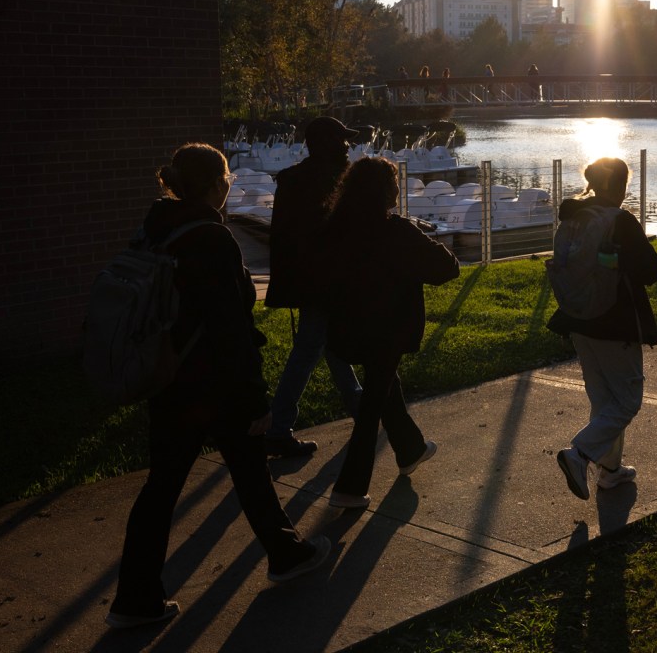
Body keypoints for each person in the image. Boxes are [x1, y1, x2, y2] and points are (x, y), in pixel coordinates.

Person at [107, 143, 330, 630]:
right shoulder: (210, 236)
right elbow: (228, 325)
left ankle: (134, 597)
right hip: (214, 384)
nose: (229, 186)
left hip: (168, 378)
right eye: (226, 179)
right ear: (213, 185)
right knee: (249, 472)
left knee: (162, 488)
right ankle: (286, 555)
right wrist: (256, 399)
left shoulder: (156, 227)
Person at [322, 156, 460, 510]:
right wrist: (417, 234)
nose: (398, 189)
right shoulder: (395, 230)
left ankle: (410, 449)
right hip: (386, 328)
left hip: (346, 325)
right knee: (372, 405)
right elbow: (447, 268)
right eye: (395, 183)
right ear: (385, 191)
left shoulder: (336, 228)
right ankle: (349, 489)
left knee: (384, 386)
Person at [548, 157, 657, 500]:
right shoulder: (620, 221)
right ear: (620, 185)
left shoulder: (574, 217)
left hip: (578, 317)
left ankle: (611, 471)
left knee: (603, 400)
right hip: (615, 320)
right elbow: (649, 270)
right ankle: (579, 455)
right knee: (627, 401)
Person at [264, 116, 364, 458]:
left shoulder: (293, 179)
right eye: (344, 141)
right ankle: (278, 429)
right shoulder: (330, 181)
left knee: (330, 346)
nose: (349, 146)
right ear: (331, 143)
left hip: (306, 281)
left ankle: (361, 410)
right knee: (308, 351)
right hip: (325, 282)